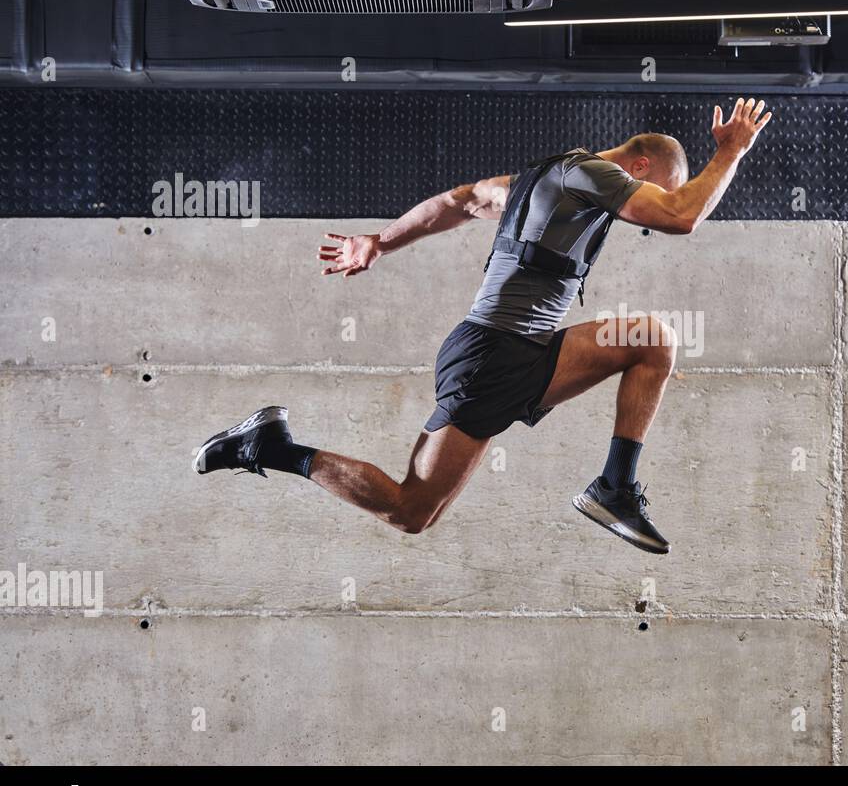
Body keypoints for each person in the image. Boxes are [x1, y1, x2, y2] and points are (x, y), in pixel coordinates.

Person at [194, 98, 773, 554]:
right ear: (640, 167)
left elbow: (460, 201)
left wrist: (380, 241)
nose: (642, 210)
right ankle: (272, 448)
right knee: (407, 508)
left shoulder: (538, 182)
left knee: (650, 342)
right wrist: (734, 152)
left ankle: (613, 486)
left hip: (519, 350)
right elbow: (681, 215)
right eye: (649, 190)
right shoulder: (591, 173)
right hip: (492, 355)